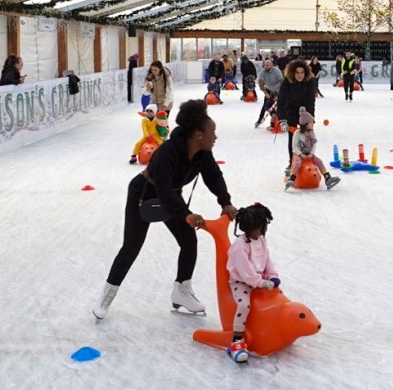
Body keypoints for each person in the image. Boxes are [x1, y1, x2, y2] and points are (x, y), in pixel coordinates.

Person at [93, 99, 238, 320]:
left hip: (171, 195)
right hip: (143, 194)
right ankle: (107, 295)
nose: (215, 136)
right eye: (212, 132)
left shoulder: (203, 153)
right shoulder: (168, 152)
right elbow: (163, 190)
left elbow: (213, 176)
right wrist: (186, 214)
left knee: (189, 241)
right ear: (198, 134)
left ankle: (182, 290)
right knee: (131, 246)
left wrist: (225, 201)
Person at [226, 203, 280, 363]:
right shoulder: (240, 245)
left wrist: (273, 275)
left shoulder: (261, 239)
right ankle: (236, 341)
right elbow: (245, 271)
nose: (261, 230)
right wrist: (261, 282)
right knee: (244, 305)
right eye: (259, 227)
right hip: (241, 281)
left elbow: (267, 258)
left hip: (260, 279)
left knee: (277, 297)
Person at [285, 107, 340, 191]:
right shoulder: (297, 133)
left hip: (309, 153)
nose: (313, 124)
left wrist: (312, 153)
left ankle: (327, 178)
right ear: (306, 124)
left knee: (319, 161)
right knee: (298, 163)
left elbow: (314, 144)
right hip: (298, 153)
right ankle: (292, 179)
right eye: (311, 122)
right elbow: (294, 146)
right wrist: (300, 154)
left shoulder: (311, 133)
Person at [277, 59, 316, 175]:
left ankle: (307, 161)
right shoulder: (287, 81)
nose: (299, 75)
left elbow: (311, 100)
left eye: (302, 72)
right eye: (297, 73)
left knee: (307, 138)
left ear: (305, 73)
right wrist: (282, 120)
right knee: (293, 139)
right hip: (291, 112)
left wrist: (311, 118)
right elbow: (281, 100)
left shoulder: (310, 81)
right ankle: (292, 162)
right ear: (293, 73)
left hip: (304, 112)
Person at [255, 59, 283, 128]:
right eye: (265, 65)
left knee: (281, 105)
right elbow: (261, 84)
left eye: (267, 65)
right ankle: (260, 119)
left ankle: (284, 120)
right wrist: (265, 93)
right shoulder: (263, 71)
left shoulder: (277, 71)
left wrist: (279, 91)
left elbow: (282, 81)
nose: (266, 67)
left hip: (278, 90)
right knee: (265, 105)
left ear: (272, 65)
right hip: (269, 90)